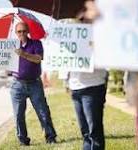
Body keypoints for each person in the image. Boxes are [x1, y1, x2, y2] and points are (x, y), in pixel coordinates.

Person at [67, 0, 107, 150]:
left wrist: (94, 47)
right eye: (81, 19)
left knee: (94, 131)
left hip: (93, 87)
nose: (84, 21)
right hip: (76, 88)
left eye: (86, 18)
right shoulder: (74, 37)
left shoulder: (102, 36)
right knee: (85, 132)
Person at [10, 22, 57, 146]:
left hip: (34, 83)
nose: (22, 34)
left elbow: (38, 58)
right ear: (16, 33)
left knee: (43, 112)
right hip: (17, 85)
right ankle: (23, 140)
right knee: (18, 115)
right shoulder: (11, 46)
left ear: (28, 31)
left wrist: (23, 54)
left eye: (24, 31)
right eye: (19, 31)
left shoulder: (36, 43)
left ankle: (50, 137)